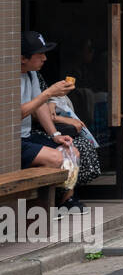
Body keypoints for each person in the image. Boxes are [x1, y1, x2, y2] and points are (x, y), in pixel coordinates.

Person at [20, 31, 80, 208]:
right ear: (23, 58)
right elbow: (16, 114)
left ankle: (67, 201)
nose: (45, 58)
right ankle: (39, 206)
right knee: (56, 158)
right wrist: (49, 93)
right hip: (10, 143)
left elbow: (40, 106)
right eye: (40, 55)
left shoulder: (31, 74)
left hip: (27, 137)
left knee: (71, 151)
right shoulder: (8, 77)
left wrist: (55, 134)